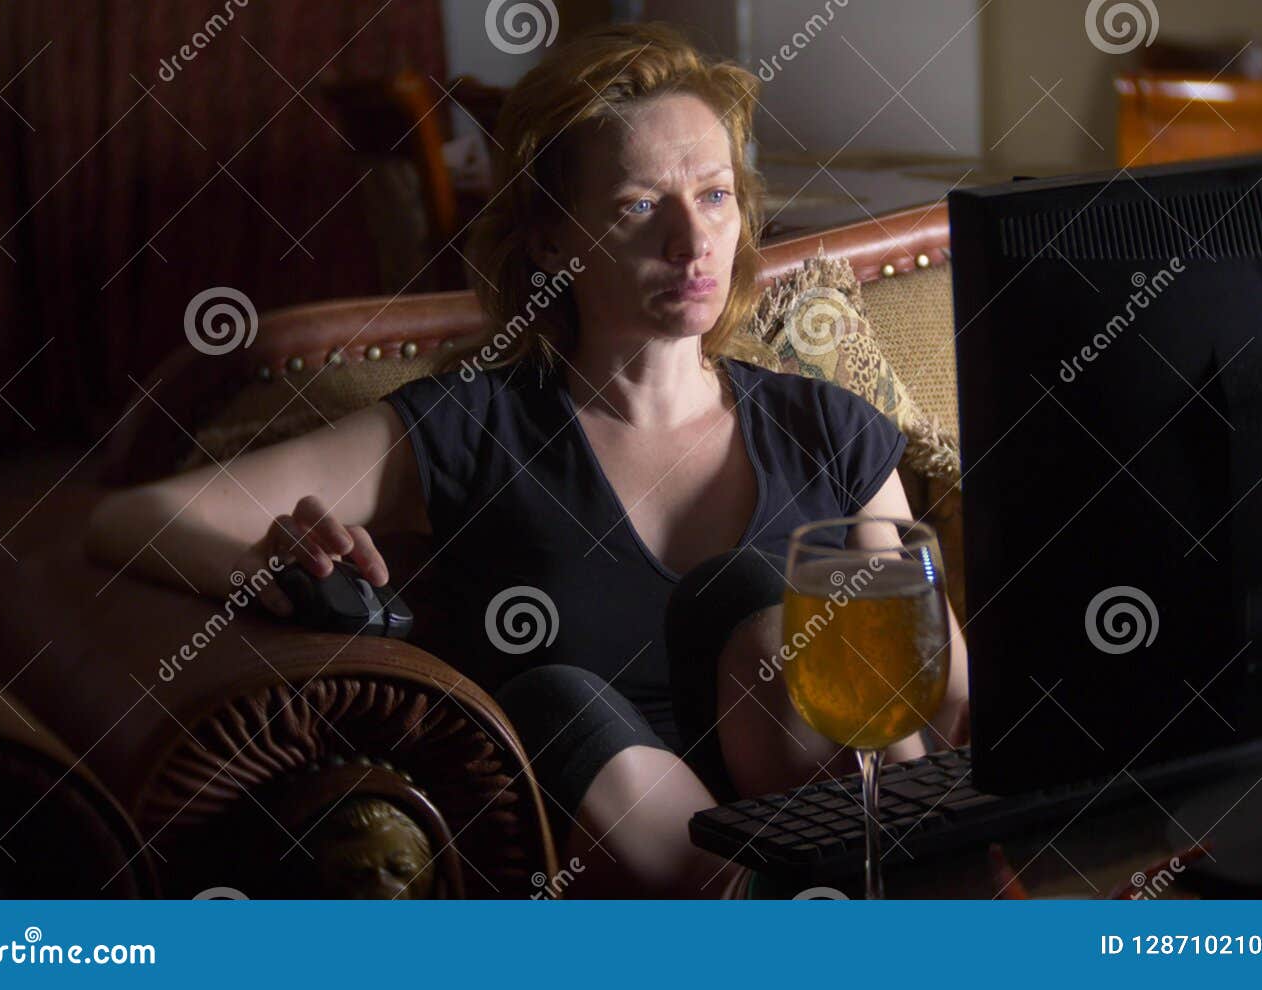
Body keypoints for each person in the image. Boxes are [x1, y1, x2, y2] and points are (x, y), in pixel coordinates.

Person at [85, 21, 968, 899]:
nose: (691, 242)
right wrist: (264, 570)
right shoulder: (473, 426)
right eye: (636, 206)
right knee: (552, 700)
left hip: (845, 836)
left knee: (748, 592)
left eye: (713, 195)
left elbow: (939, 698)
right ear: (550, 240)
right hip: (648, 864)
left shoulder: (826, 427)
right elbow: (132, 517)